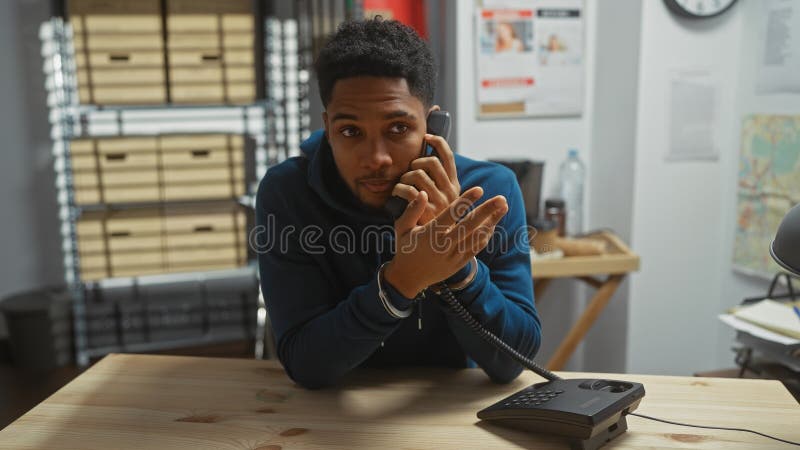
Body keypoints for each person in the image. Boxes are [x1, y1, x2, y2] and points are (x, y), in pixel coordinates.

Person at [255, 18, 541, 389]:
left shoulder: (487, 191)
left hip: (449, 416)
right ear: (327, 127)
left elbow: (512, 363)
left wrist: (456, 265)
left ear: (432, 124)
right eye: (350, 131)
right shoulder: (288, 193)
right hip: (326, 423)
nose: (377, 158)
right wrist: (401, 281)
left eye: (398, 129)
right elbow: (305, 364)